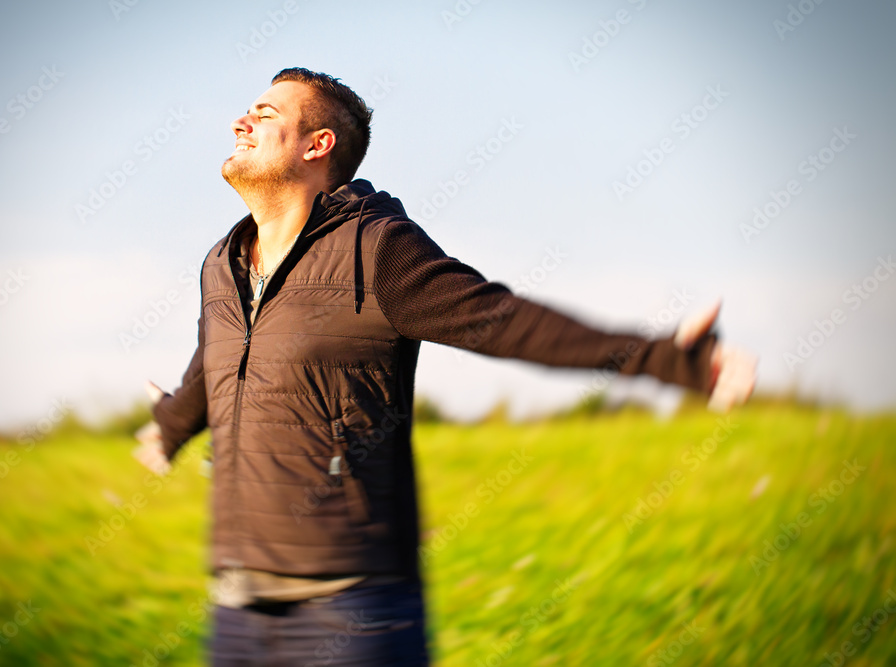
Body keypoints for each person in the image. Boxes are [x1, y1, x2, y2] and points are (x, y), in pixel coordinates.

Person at [132, 67, 757, 666]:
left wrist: (671, 359)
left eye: (264, 114)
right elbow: (219, 359)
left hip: (353, 612)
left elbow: (506, 322)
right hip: (238, 609)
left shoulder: (377, 250)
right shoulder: (224, 262)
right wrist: (172, 424)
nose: (240, 122)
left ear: (317, 145)